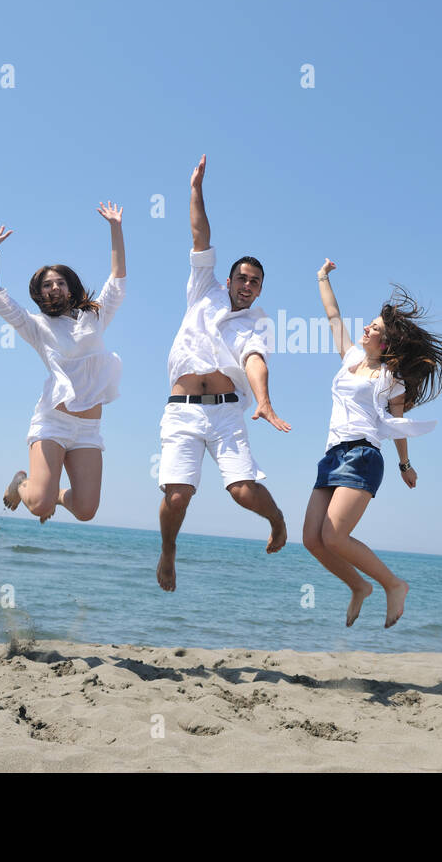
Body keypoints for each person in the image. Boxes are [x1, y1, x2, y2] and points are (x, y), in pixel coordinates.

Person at [301, 260, 442, 628]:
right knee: (312, 538)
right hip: (332, 455)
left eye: (374, 328)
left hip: (362, 456)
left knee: (334, 535)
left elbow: (398, 424)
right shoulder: (352, 357)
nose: (366, 327)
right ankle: (359, 587)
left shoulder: (392, 380)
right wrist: (322, 277)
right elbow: (332, 315)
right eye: (370, 323)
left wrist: (406, 465)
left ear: (385, 342)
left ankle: (393, 584)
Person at [156, 155, 290, 591]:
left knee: (242, 492)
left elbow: (254, 359)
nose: (248, 285)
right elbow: (200, 235)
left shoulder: (257, 322)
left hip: (228, 413)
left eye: (256, 282)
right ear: (229, 279)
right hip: (182, 409)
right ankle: (169, 551)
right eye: (243, 278)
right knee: (177, 495)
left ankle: (277, 519)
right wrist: (195, 189)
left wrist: (265, 401)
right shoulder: (202, 290)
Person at [0, 203, 126, 524]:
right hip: (53, 423)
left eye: (60, 282)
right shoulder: (36, 326)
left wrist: (115, 227)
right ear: (39, 293)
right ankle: (22, 482)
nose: (54, 287)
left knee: (86, 510)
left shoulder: (94, 316)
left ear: (71, 288)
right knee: (38, 504)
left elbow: (117, 280)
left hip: (89, 427)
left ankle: (53, 495)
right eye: (47, 284)